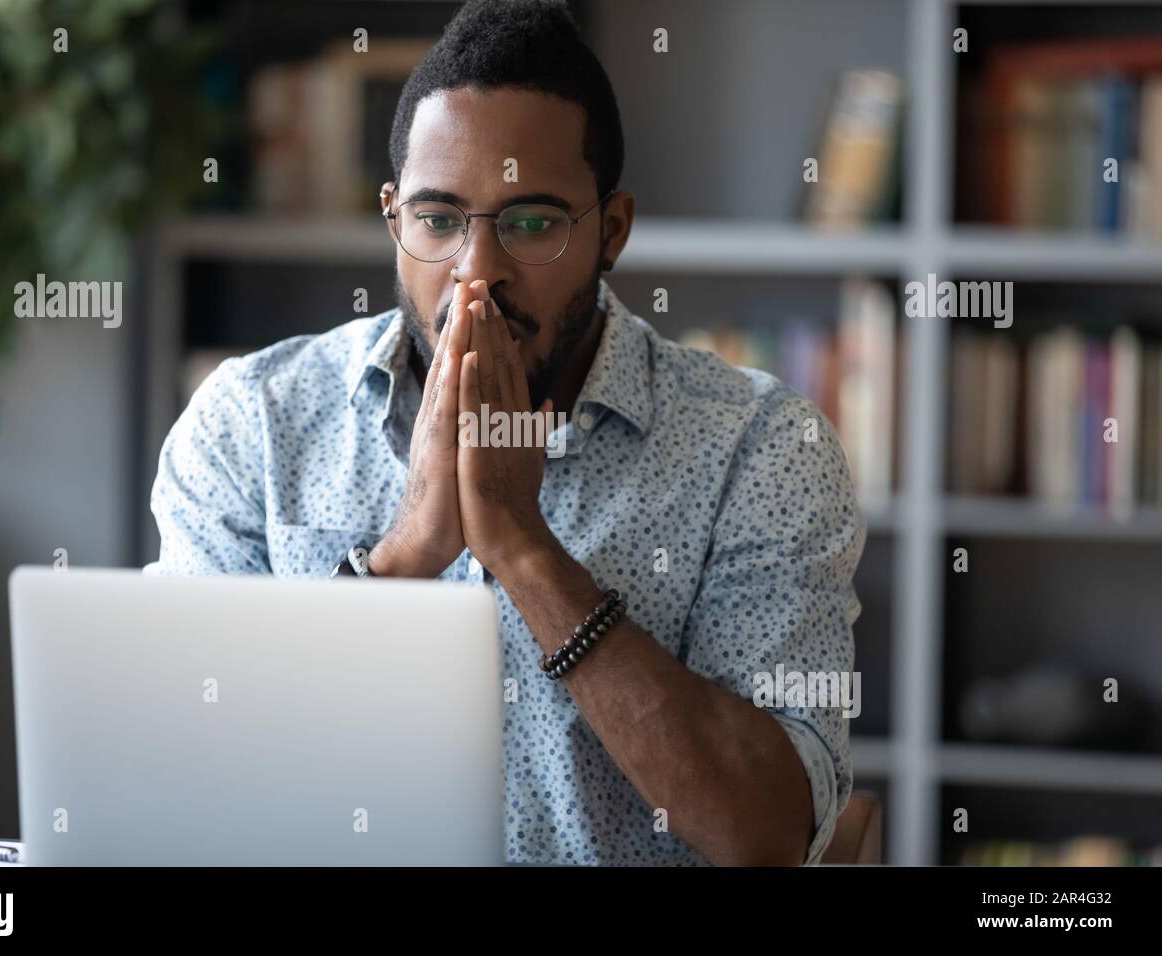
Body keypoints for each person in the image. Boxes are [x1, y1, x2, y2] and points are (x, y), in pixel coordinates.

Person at [147, 0, 865, 866]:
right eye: (439, 220)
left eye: (531, 223)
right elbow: (183, 777)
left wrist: (524, 549)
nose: (476, 273)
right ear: (392, 219)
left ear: (612, 231)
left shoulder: (766, 448)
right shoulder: (251, 422)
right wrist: (404, 555)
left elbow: (769, 833)